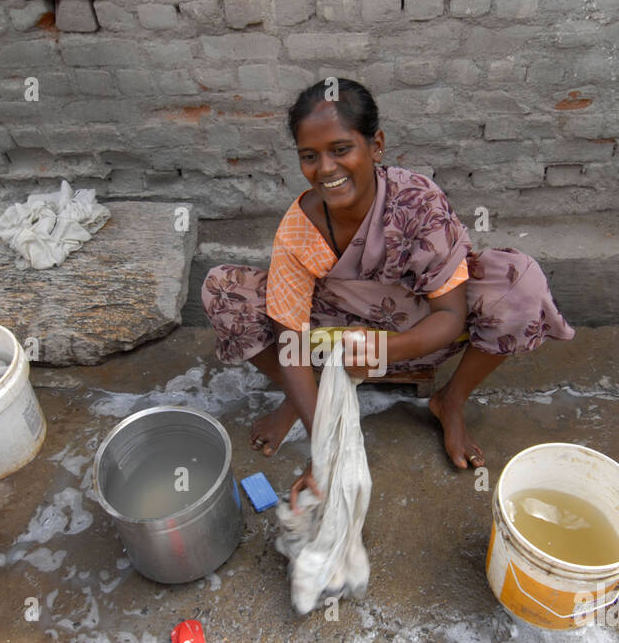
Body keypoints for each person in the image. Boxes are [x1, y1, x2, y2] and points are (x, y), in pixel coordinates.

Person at [201, 78, 575, 503]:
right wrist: (327, 454)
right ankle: (310, 398)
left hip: (418, 333)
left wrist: (384, 351)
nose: (325, 169)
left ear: (375, 146)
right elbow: (291, 343)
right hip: (334, 334)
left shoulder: (416, 203)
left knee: (521, 283)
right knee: (222, 291)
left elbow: (451, 315)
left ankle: (449, 401)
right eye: (310, 156)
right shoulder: (298, 229)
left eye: (341, 149)